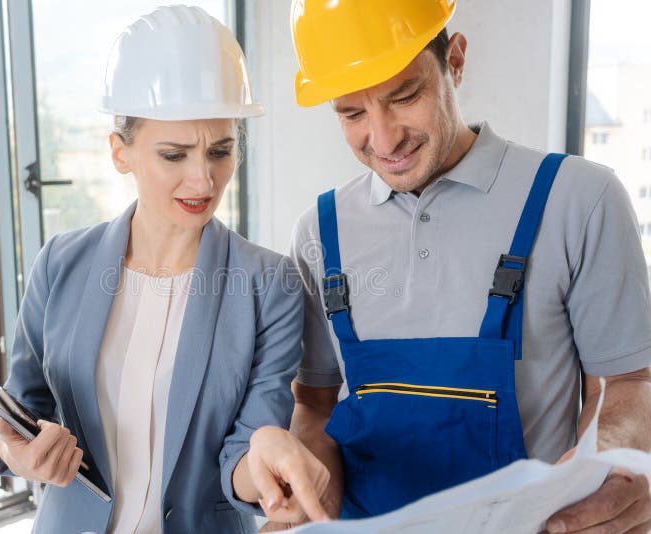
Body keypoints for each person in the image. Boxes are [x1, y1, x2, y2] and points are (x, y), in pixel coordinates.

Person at [274, 0, 651, 531]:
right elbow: (314, 404)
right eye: (352, 114)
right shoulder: (318, 230)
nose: (384, 140)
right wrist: (307, 505)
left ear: (454, 60)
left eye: (405, 96)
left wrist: (610, 461)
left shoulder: (580, 199)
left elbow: (628, 382)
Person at [0, 6, 330, 533]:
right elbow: (18, 411)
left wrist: (265, 454)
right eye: (174, 155)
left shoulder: (272, 285)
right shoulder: (60, 263)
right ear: (120, 153)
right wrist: (19, 454)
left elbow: (244, 453)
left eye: (221, 151)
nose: (203, 180)